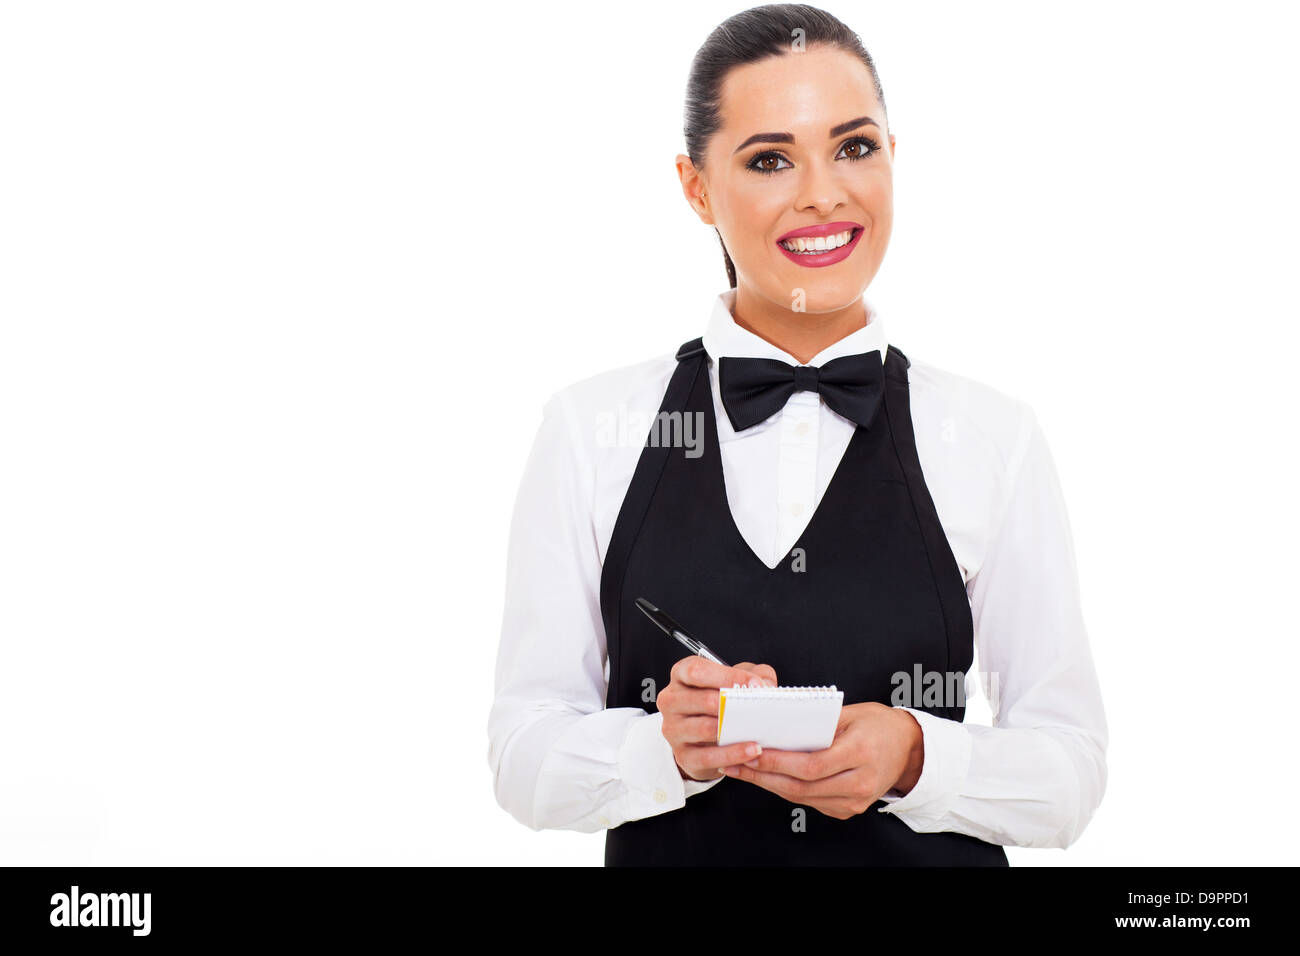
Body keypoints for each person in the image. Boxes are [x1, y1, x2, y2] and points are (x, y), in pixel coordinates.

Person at [487, 2, 1107, 866]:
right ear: (695, 187)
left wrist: (918, 757)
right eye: (770, 159)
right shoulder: (591, 429)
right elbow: (522, 755)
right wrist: (662, 752)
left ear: (895, 156)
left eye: (855, 147)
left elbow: (1070, 774)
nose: (823, 192)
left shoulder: (992, 435)